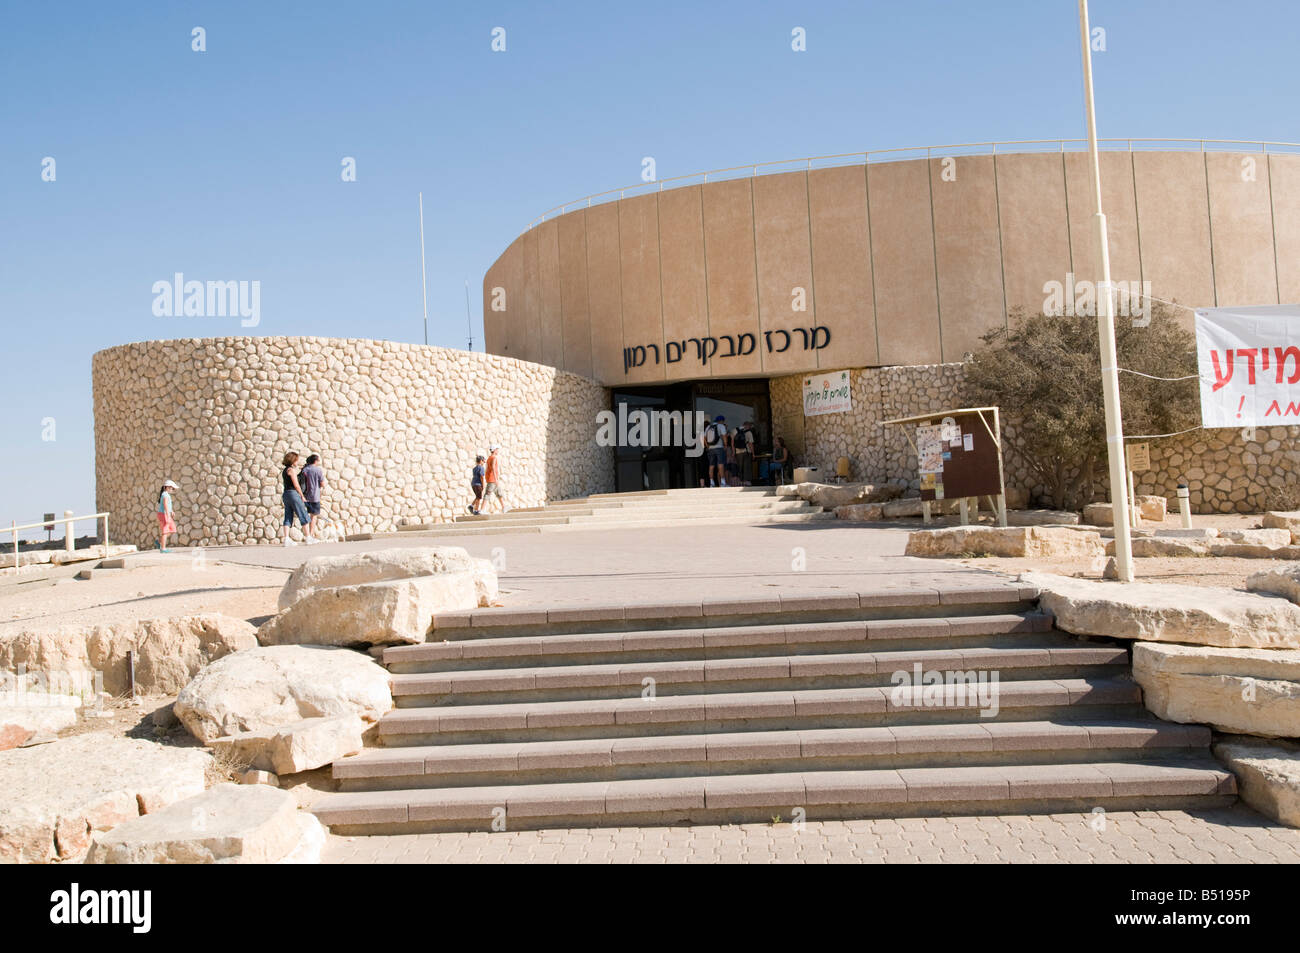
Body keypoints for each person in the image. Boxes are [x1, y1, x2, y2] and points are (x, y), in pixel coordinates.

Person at [280, 452, 311, 546]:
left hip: (286, 494)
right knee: (303, 513)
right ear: (293, 461)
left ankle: (286, 539)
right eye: (296, 460)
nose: (297, 462)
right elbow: (296, 485)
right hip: (293, 493)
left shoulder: (285, 470)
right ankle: (308, 537)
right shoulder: (291, 470)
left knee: (288, 515)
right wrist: (302, 495)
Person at [299, 454, 326, 543]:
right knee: (313, 516)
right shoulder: (318, 470)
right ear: (315, 461)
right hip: (314, 496)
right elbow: (322, 484)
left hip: (304, 495)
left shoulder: (304, 470)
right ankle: (310, 534)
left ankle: (307, 534)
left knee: (305, 515)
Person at [482, 445, 508, 513]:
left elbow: (487, 469)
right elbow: (493, 467)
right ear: (494, 450)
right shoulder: (494, 458)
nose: (498, 451)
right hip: (493, 479)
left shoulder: (489, 458)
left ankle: (504, 507)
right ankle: (482, 510)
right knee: (487, 494)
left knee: (499, 493)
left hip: (491, 479)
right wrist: (496, 479)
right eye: (497, 449)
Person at [704, 415, 729, 487]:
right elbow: (724, 436)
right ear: (721, 421)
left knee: (711, 466)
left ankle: (712, 483)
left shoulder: (708, 427)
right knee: (720, 464)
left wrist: (707, 446)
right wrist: (726, 445)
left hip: (711, 449)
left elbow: (704, 438)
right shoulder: (721, 426)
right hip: (719, 448)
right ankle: (723, 482)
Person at [156, 479, 179, 552]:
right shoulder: (165, 494)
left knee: (173, 529)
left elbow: (167, 505)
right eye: (171, 488)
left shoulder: (166, 494)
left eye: (173, 488)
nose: (172, 489)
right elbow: (165, 504)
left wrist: (171, 511)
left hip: (165, 514)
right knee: (165, 531)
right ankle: (163, 548)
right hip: (164, 514)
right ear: (166, 487)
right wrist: (167, 515)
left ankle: (159, 541)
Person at [734, 420, 756, 485]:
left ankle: (741, 481)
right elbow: (751, 444)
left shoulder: (736, 432)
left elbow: (733, 442)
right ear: (748, 426)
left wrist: (734, 452)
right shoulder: (749, 433)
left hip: (738, 452)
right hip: (746, 451)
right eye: (750, 426)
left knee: (740, 467)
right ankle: (747, 481)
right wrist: (753, 453)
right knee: (747, 467)